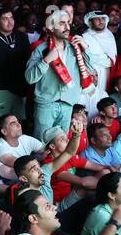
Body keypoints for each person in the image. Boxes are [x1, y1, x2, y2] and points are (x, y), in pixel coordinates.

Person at [26, 9, 98, 138]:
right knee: (41, 146)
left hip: (68, 104)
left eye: (68, 23)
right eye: (62, 23)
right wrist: (46, 60)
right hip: (46, 104)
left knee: (61, 144)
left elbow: (90, 69)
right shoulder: (41, 49)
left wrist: (85, 47)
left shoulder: (75, 47)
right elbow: (29, 78)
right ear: (51, 28)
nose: (67, 27)